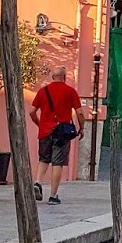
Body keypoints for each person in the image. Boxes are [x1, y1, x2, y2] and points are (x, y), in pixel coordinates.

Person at [29, 67, 84, 205]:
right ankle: (53, 196)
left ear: (52, 77)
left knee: (44, 159)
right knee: (57, 163)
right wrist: (81, 128)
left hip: (45, 132)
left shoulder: (43, 91)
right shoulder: (70, 91)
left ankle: (38, 182)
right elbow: (80, 113)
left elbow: (32, 111)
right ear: (64, 77)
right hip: (62, 133)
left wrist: (40, 124)